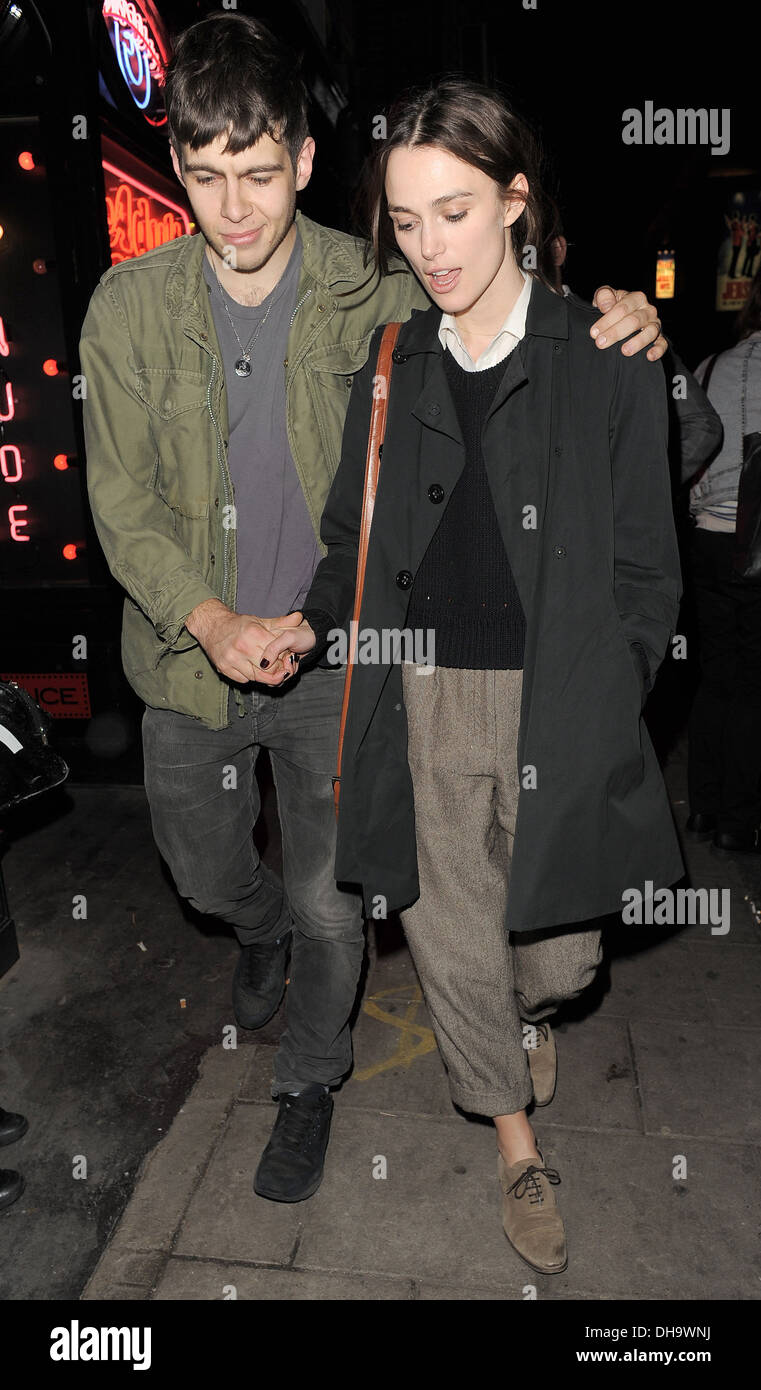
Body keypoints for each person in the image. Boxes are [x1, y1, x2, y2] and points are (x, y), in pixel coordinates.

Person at [79, 11, 673, 1212]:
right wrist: (210, 618)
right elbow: (120, 499)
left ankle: (307, 1082)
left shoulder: (375, 283)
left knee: (365, 906)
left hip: (337, 658)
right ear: (180, 173)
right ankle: (269, 953)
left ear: (302, 159)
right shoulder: (129, 310)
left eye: (258, 174)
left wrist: (632, 323)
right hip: (202, 658)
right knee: (215, 878)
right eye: (203, 178)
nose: (233, 208)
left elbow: (513, 311)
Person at [255, 76, 686, 1272]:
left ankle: (528, 1014)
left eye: (452, 211)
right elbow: (349, 536)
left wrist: (612, 690)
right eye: (403, 220)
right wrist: (306, 622)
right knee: (448, 935)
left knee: (558, 954)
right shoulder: (389, 363)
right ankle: (512, 1138)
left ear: (513, 202)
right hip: (423, 691)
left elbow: (650, 571)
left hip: (557, 696)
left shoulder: (604, 357)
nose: (427, 247)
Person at [685, 266, 761, 853]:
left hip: (709, 539)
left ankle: (703, 808)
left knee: (715, 678)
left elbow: (690, 445)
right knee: (751, 686)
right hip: (756, 545)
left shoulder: (708, 367)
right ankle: (738, 816)